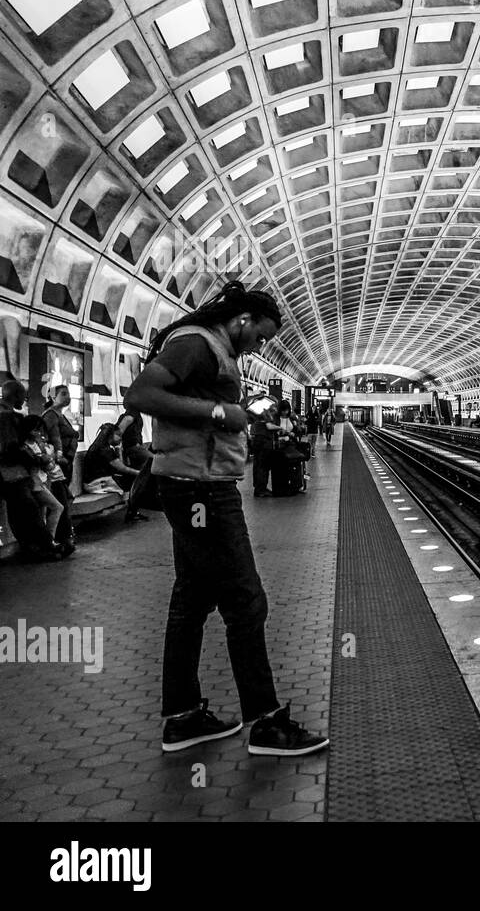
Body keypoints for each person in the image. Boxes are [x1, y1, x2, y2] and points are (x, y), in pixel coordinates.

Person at [125, 281, 327, 757]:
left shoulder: (208, 346)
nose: (261, 346)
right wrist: (221, 412)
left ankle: (183, 717)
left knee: (192, 600)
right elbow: (141, 394)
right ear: (241, 320)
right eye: (260, 335)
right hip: (201, 491)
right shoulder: (197, 342)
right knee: (246, 602)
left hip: (193, 483)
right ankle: (267, 723)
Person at [0, 380, 61, 561]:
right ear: (17, 396)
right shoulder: (6, 417)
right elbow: (10, 448)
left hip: (9, 474)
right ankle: (44, 547)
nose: (25, 399)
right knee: (29, 511)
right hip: (12, 473)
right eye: (23, 395)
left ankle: (33, 547)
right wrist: (35, 458)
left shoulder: (8, 415)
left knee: (19, 513)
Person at [82, 420, 150, 524]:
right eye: (118, 435)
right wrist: (139, 473)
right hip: (97, 483)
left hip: (96, 480)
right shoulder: (105, 450)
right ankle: (132, 512)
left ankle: (133, 511)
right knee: (136, 481)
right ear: (110, 435)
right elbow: (122, 468)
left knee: (131, 480)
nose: (120, 439)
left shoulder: (98, 447)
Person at [42, 385, 77, 551]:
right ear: (53, 397)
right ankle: (61, 535)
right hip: (58, 467)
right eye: (63, 394)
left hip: (65, 465)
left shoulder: (61, 415)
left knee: (65, 498)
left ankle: (63, 533)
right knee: (61, 499)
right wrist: (60, 455)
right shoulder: (51, 415)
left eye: (68, 393)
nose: (67, 396)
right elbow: (55, 437)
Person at [19, 415, 64, 542]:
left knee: (42, 513)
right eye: (35, 430)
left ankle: (45, 541)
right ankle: (49, 540)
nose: (38, 433)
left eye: (39, 430)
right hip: (35, 482)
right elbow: (36, 461)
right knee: (57, 507)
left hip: (43, 479)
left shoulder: (37, 443)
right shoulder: (25, 446)